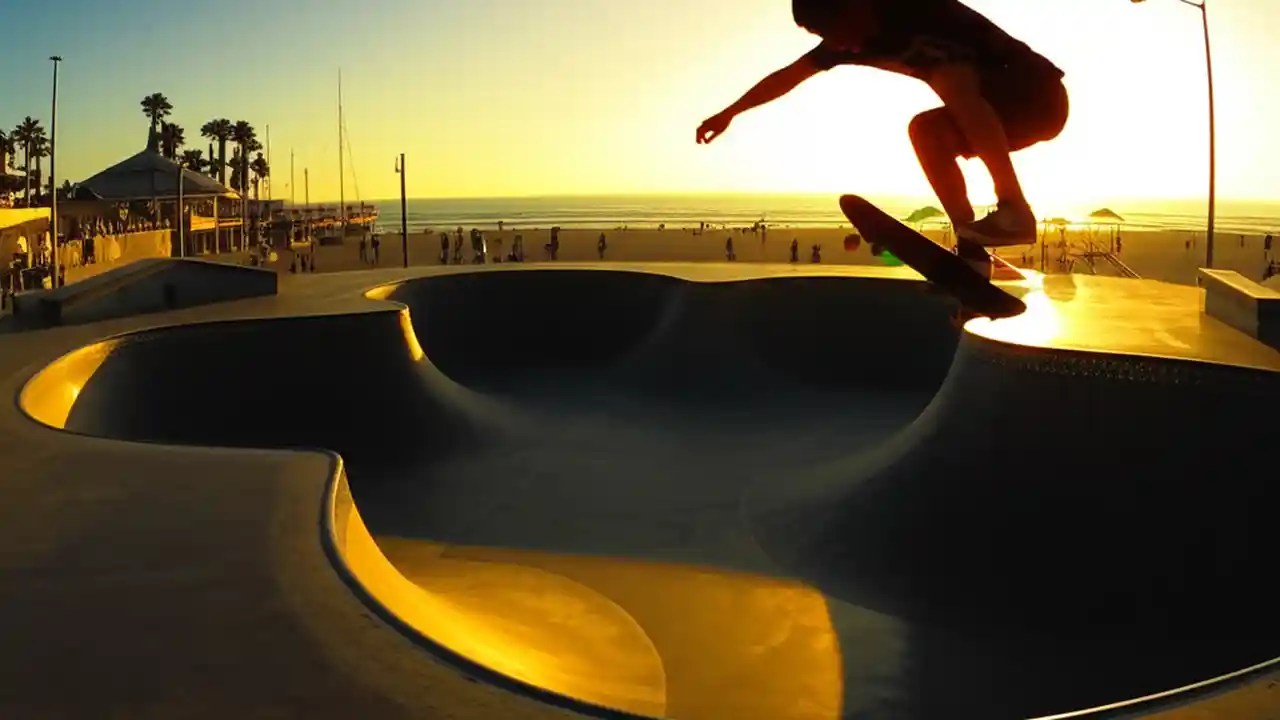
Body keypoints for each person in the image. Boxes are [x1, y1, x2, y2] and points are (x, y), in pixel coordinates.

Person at [697, 0, 1068, 274]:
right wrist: (730, 112)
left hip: (1038, 95)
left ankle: (1014, 209)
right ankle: (971, 248)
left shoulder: (917, 15)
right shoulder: (848, 41)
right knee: (926, 131)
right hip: (1002, 113)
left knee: (950, 89)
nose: (838, 44)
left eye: (833, 31)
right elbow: (788, 76)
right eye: (825, 37)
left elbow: (963, 93)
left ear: (855, 7)